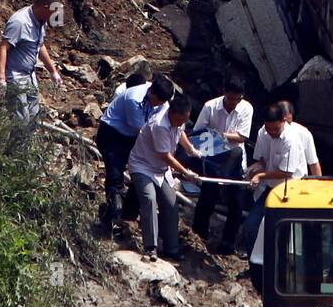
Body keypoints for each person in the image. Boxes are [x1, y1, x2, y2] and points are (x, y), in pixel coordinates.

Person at [240, 103, 320, 258]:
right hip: (272, 189)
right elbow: (263, 159)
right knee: (250, 227)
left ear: (284, 121)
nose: (272, 133)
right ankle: (255, 267)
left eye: (275, 129)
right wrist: (255, 169)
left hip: (292, 190)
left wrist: (261, 176)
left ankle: (282, 268)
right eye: (269, 129)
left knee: (284, 233)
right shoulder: (263, 133)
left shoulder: (292, 140)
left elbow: (286, 171)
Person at [128, 94, 202, 261]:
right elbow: (166, 156)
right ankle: (150, 247)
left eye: (185, 120)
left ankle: (171, 248)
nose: (182, 123)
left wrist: (190, 149)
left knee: (170, 203)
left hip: (161, 170)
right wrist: (185, 172)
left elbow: (180, 132)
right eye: (180, 120)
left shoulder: (178, 121)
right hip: (143, 166)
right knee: (149, 199)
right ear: (172, 113)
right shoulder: (160, 125)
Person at [95, 71, 173, 228]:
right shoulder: (134, 98)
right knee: (115, 174)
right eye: (156, 101)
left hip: (134, 136)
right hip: (113, 133)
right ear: (151, 92)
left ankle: (128, 213)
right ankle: (113, 217)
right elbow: (141, 130)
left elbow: (161, 123)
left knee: (142, 172)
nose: (157, 105)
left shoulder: (163, 101)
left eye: (161, 103)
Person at [191, 76, 254, 253]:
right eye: (230, 98)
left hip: (235, 161)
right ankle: (199, 236)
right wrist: (220, 140)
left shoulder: (246, 108)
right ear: (224, 93)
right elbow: (199, 134)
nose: (233, 102)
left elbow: (241, 137)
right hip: (212, 160)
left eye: (237, 99)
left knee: (236, 203)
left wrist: (218, 135)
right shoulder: (210, 107)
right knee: (207, 198)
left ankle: (228, 244)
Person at [0, 0, 63, 134]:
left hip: (29, 76)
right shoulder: (20, 22)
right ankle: (14, 154)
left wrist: (53, 71)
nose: (54, 17)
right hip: (14, 76)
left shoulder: (41, 22)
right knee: (21, 121)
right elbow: (3, 48)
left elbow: (40, 45)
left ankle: (24, 152)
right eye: (53, 12)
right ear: (45, 8)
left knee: (33, 117)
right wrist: (1, 78)